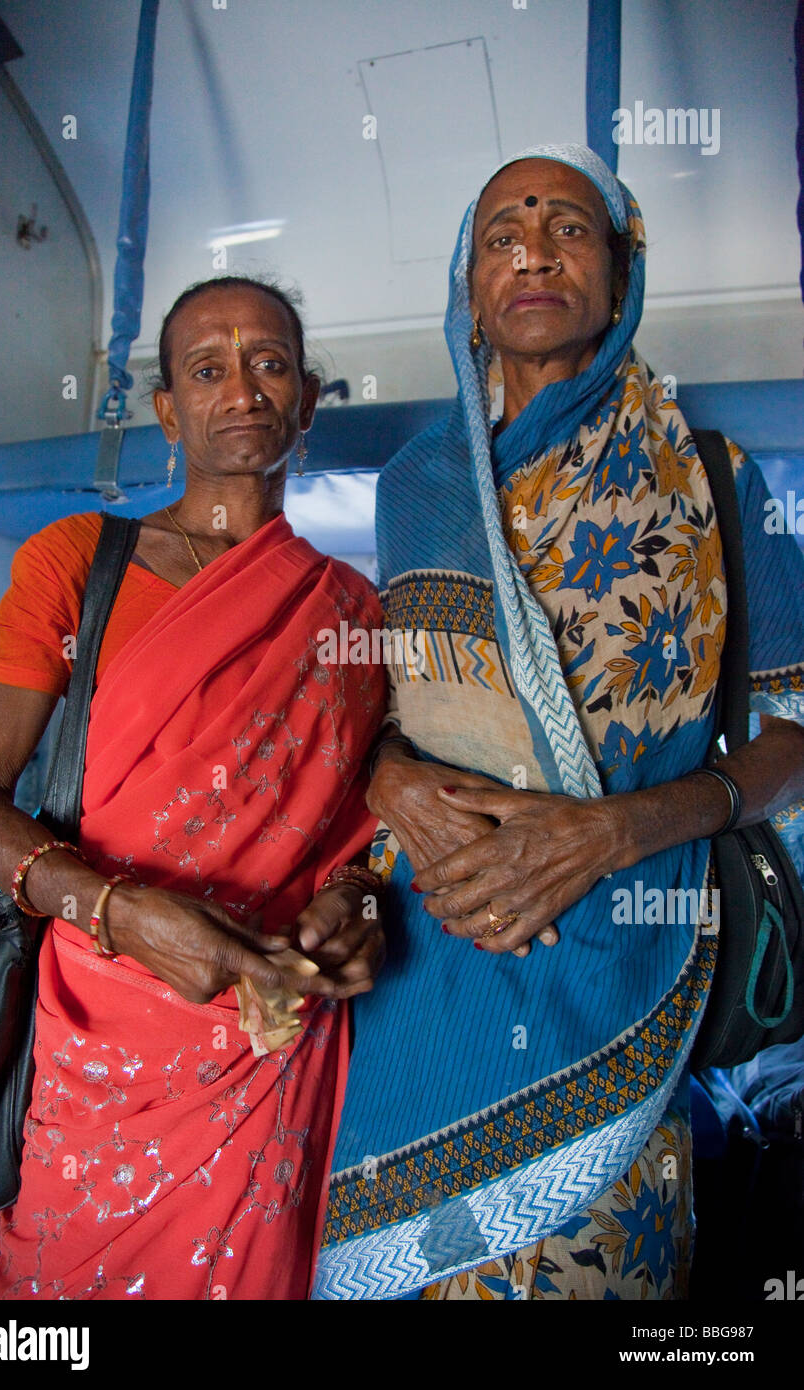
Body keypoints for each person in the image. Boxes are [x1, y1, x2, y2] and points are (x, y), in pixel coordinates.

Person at [311, 145, 804, 1301]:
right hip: (424, 950)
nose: (532, 249)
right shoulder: (412, 488)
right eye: (501, 233)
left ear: (622, 273)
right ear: (467, 292)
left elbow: (790, 734)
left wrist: (602, 835)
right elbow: (384, 700)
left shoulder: (718, 480)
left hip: (622, 941)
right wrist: (385, 782)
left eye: (569, 227)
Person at [0, 275, 388, 1300]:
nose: (242, 389)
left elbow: (359, 840)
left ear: (309, 399)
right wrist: (115, 909)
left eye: (270, 363)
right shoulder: (77, 564)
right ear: (168, 411)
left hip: (271, 1032)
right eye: (207, 367)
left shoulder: (351, 610)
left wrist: (358, 903)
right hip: (100, 1028)